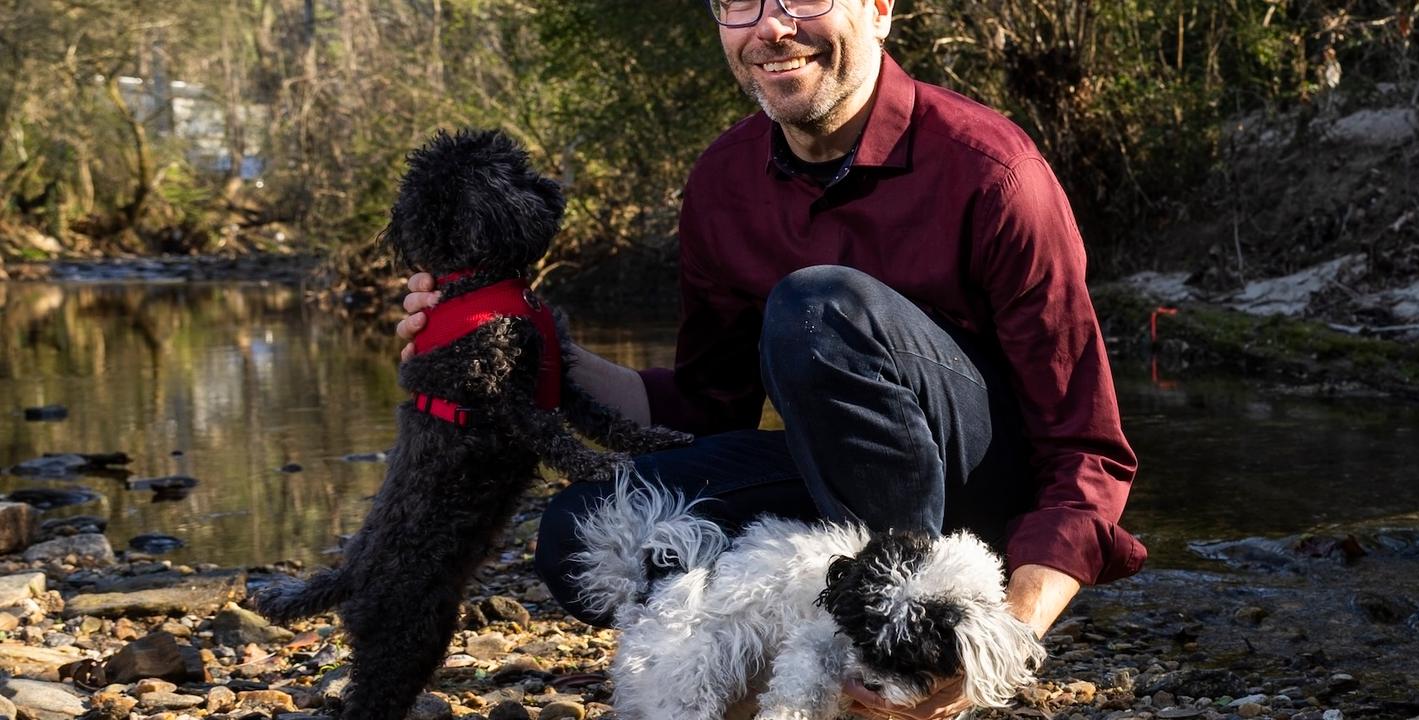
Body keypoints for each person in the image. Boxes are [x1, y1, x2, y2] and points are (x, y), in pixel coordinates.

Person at [397, 1, 1145, 718]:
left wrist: (1004, 641)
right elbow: (703, 407)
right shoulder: (723, 182)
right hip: (841, 495)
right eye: (740, 3)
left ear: (880, 7)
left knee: (817, 309)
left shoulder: (994, 172)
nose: (772, 27)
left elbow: (1086, 448)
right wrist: (521, 349)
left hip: (972, 516)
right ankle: (807, 657)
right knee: (585, 531)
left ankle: (900, 639)